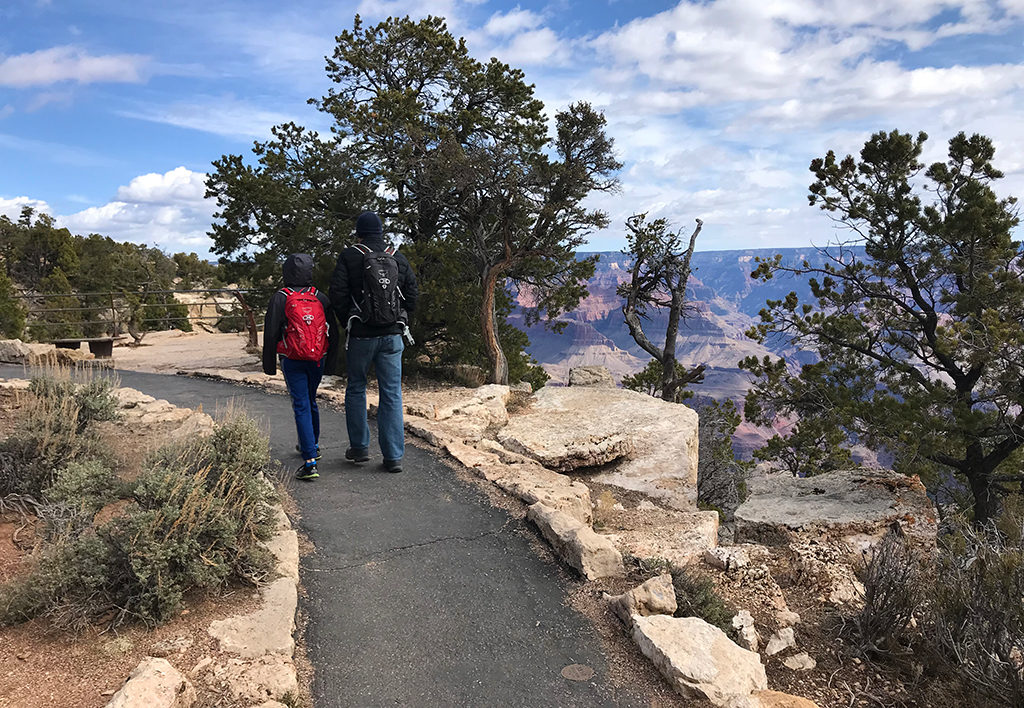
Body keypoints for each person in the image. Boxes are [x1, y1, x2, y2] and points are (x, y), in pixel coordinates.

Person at [330, 211, 418, 473]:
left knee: (356, 387)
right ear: (381, 232)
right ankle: (393, 456)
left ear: (359, 232)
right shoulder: (396, 256)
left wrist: (350, 319)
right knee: (391, 393)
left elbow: (338, 294)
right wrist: (401, 318)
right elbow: (412, 293)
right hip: (392, 337)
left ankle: (359, 447)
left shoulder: (349, 256)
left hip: (361, 336)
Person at [263, 253, 336, 481]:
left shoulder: (281, 298)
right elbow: (333, 331)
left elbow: (271, 332)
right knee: (311, 400)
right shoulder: (320, 298)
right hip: (317, 358)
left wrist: (269, 365)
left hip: (292, 359)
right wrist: (330, 364)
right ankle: (313, 444)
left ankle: (309, 462)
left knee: (301, 404)